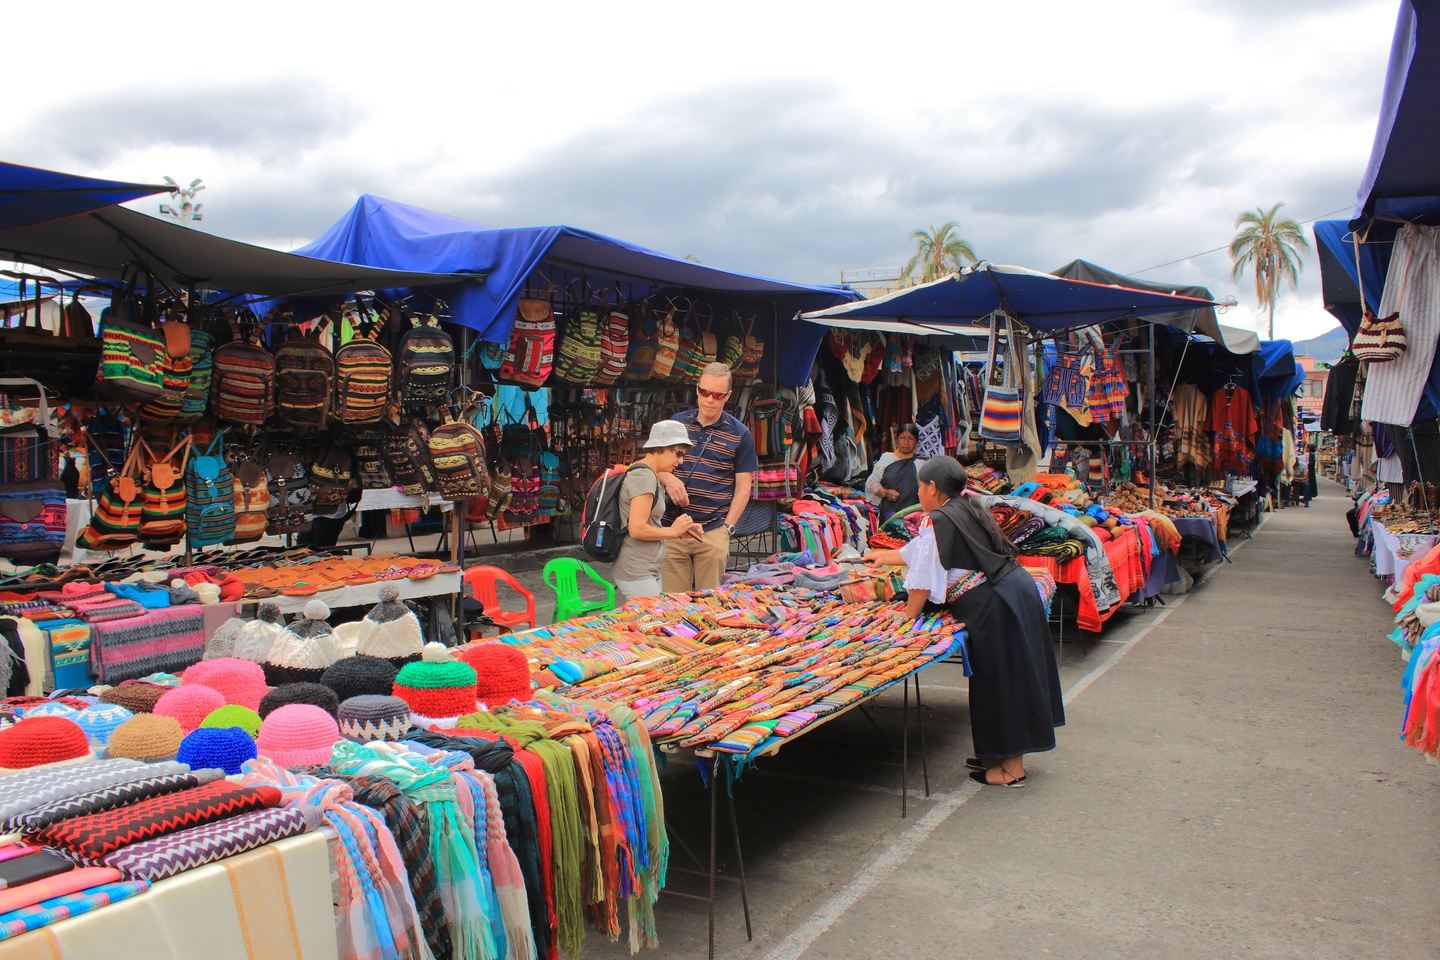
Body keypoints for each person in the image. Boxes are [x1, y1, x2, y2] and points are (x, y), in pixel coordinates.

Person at [865, 456, 1063, 787]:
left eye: (920, 487)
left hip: (995, 603)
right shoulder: (966, 507)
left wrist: (907, 614)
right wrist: (880, 556)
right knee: (1011, 677)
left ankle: (1010, 769)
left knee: (1002, 682)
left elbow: (922, 579)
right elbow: (919, 552)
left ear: (932, 487)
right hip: (1013, 591)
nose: (919, 493)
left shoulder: (937, 519)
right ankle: (999, 756)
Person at [657, 362, 757, 592]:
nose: (709, 399)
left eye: (717, 394)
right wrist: (667, 477)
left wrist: (727, 528)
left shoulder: (740, 433)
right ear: (697, 390)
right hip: (672, 529)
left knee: (710, 605)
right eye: (704, 392)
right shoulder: (676, 423)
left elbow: (744, 487)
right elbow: (652, 464)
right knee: (673, 606)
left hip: (712, 530)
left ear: (728, 396)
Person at [612, 421, 698, 600]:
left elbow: (648, 524)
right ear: (661, 447)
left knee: (653, 623)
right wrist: (673, 531)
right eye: (678, 453)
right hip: (636, 571)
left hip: (646, 569)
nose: (681, 461)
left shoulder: (649, 474)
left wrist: (680, 531)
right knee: (654, 622)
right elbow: (637, 529)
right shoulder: (644, 476)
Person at [864, 424, 925, 522]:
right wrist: (886, 492)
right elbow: (870, 484)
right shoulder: (887, 459)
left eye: (910, 439)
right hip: (889, 515)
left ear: (916, 442)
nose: (906, 442)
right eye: (902, 438)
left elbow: (925, 491)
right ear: (897, 440)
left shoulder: (920, 464)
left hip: (913, 516)